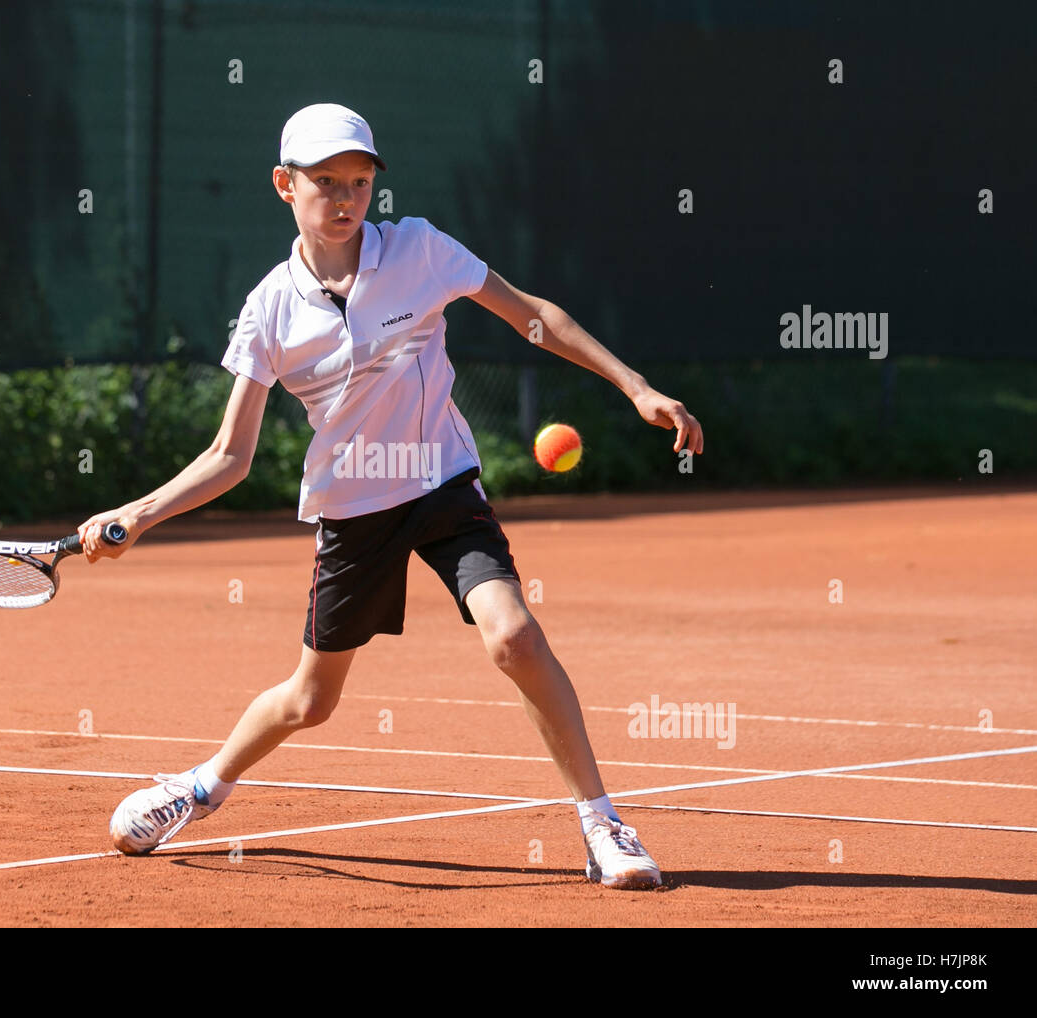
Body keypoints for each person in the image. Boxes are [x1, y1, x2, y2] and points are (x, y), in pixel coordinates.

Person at [79, 103, 704, 889]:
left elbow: (534, 317)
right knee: (312, 700)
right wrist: (138, 514)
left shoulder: (421, 250)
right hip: (351, 510)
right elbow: (229, 456)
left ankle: (602, 824)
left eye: (360, 182)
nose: (345, 199)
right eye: (325, 182)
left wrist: (635, 386)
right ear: (284, 185)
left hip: (442, 482)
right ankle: (199, 788)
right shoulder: (270, 310)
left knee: (513, 637)